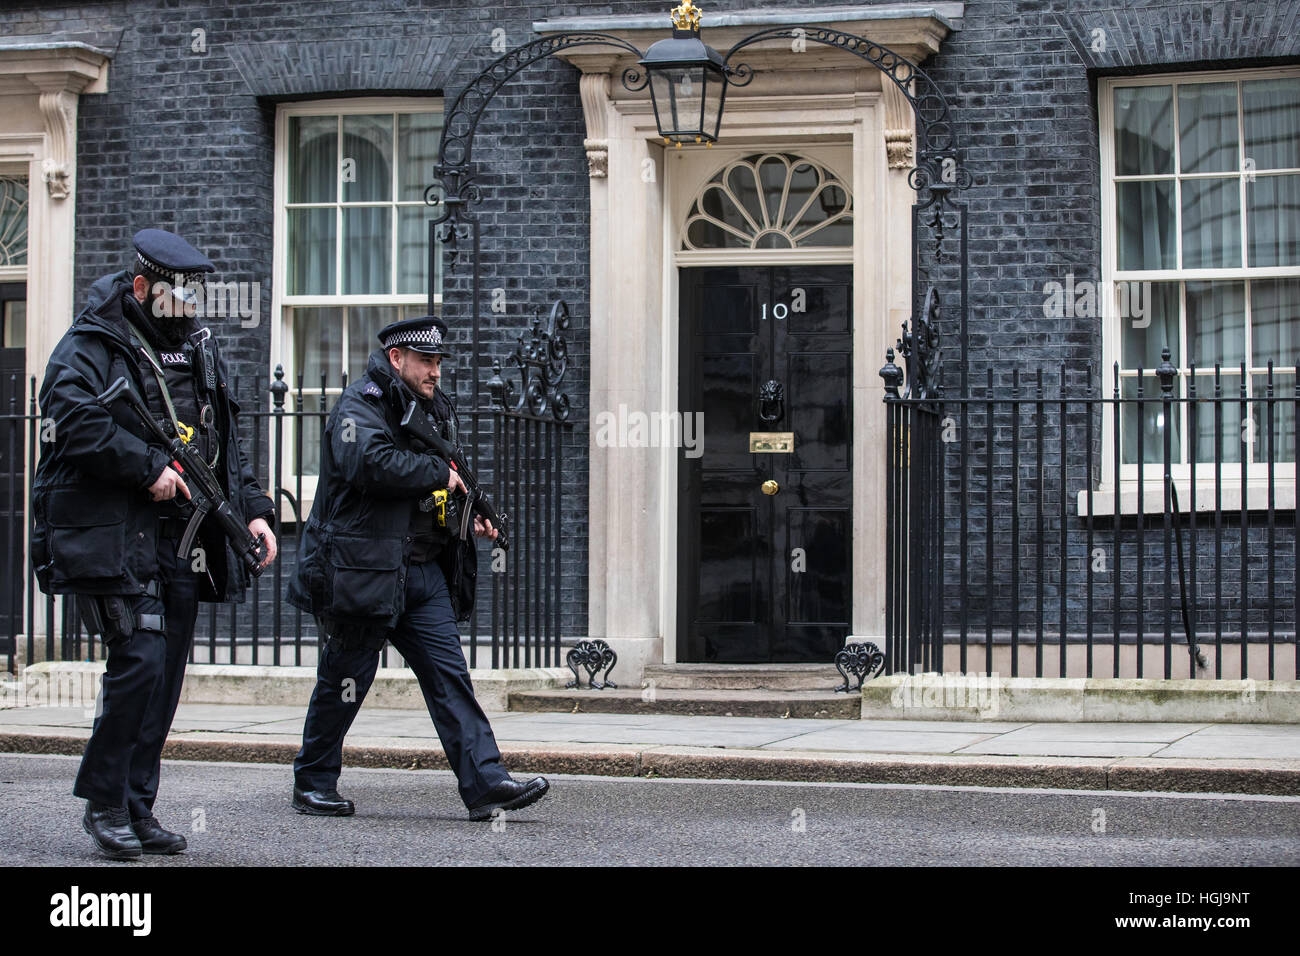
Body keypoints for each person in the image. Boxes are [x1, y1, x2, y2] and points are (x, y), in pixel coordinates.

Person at [31, 228, 278, 860]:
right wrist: (145, 466)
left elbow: (225, 438)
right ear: (141, 289)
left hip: (184, 538)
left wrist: (252, 510)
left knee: (165, 676)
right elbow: (67, 417)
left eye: (192, 303)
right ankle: (105, 804)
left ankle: (139, 807)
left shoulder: (197, 345)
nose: (186, 314)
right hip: (118, 534)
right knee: (138, 661)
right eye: (173, 302)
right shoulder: (92, 344)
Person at [287, 315, 548, 822]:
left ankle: (485, 780)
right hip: (363, 571)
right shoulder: (359, 404)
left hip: (421, 573)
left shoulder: (433, 408)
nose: (434, 371)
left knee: (450, 677)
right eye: (425, 361)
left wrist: (468, 517)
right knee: (345, 680)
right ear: (396, 359)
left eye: (438, 362)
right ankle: (313, 781)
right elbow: (368, 462)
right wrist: (440, 476)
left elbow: (436, 497)